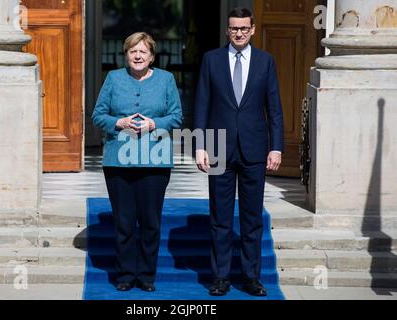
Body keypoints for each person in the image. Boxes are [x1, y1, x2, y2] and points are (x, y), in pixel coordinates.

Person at [194, 8, 284, 297]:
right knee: (220, 216)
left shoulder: (265, 62)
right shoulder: (211, 60)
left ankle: (251, 277)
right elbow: (202, 105)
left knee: (252, 217)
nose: (239, 33)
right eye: (234, 28)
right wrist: (199, 146)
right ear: (227, 30)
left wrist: (276, 147)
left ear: (253, 29)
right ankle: (220, 277)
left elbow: (274, 109)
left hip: (255, 150)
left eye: (244, 28)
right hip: (219, 147)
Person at [92, 32, 182, 292]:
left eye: (143, 51)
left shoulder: (166, 80)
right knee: (124, 221)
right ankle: (125, 274)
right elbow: (99, 115)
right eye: (133, 51)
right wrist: (118, 122)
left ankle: (146, 275)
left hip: (155, 161)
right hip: (118, 161)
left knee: (151, 222)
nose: (138, 56)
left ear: (152, 56)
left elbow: (177, 116)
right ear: (126, 55)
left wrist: (156, 123)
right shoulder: (113, 78)